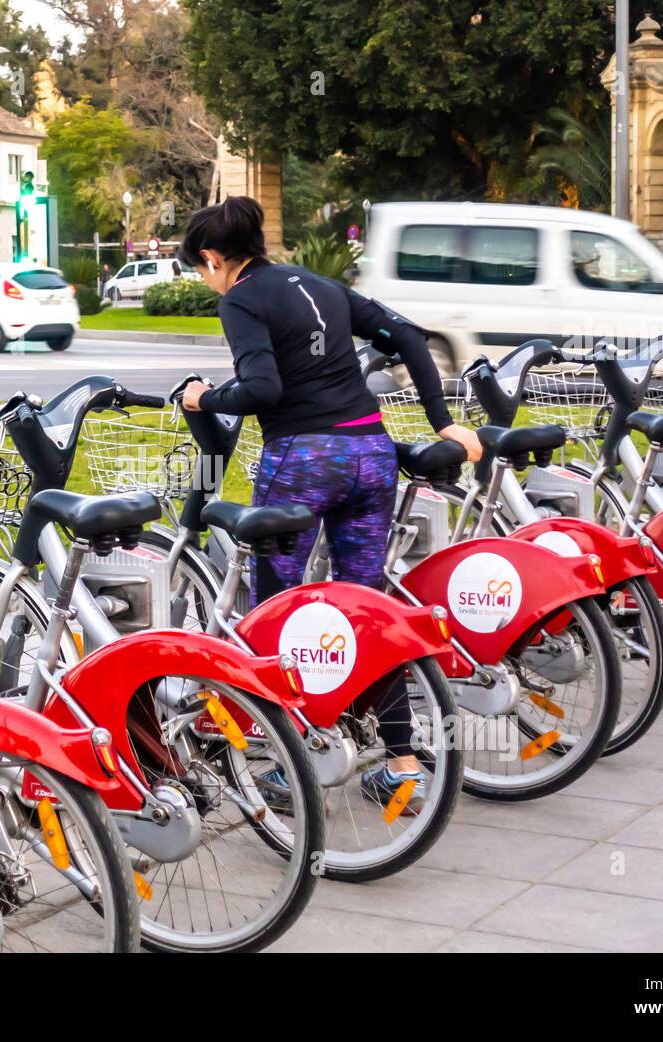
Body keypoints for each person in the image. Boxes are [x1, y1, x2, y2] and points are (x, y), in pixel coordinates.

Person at [177, 195, 481, 807]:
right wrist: (444, 423)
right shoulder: (322, 284)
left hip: (304, 463)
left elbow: (264, 386)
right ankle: (400, 763)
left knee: (279, 613)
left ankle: (290, 761)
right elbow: (410, 339)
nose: (207, 283)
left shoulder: (241, 298)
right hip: (371, 455)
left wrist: (204, 399)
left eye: (201, 270)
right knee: (367, 611)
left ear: (213, 258)